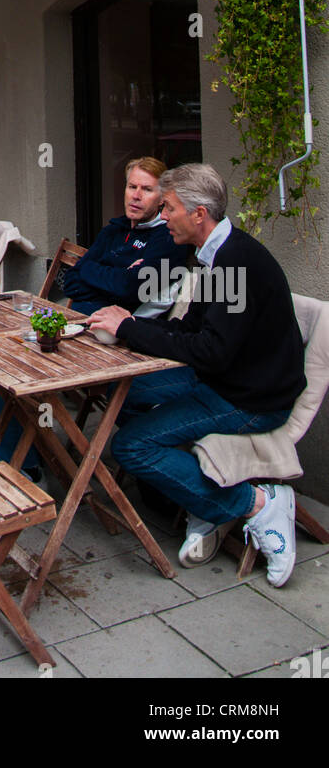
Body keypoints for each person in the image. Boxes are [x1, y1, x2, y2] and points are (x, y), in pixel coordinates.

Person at [89, 163, 306, 588]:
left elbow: (212, 352)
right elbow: (190, 330)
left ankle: (257, 503)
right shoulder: (217, 254)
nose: (162, 215)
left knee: (132, 446)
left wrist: (130, 330)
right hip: (220, 379)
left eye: (168, 207)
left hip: (249, 399)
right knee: (123, 392)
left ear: (199, 214)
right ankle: (189, 493)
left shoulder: (234, 264)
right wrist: (125, 324)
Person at [63, 156, 191, 317]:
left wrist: (87, 270)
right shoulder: (113, 230)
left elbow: (129, 289)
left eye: (147, 189)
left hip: (119, 336)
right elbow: (70, 282)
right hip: (78, 322)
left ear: (161, 200)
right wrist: (121, 276)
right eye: (132, 186)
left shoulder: (168, 237)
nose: (136, 195)